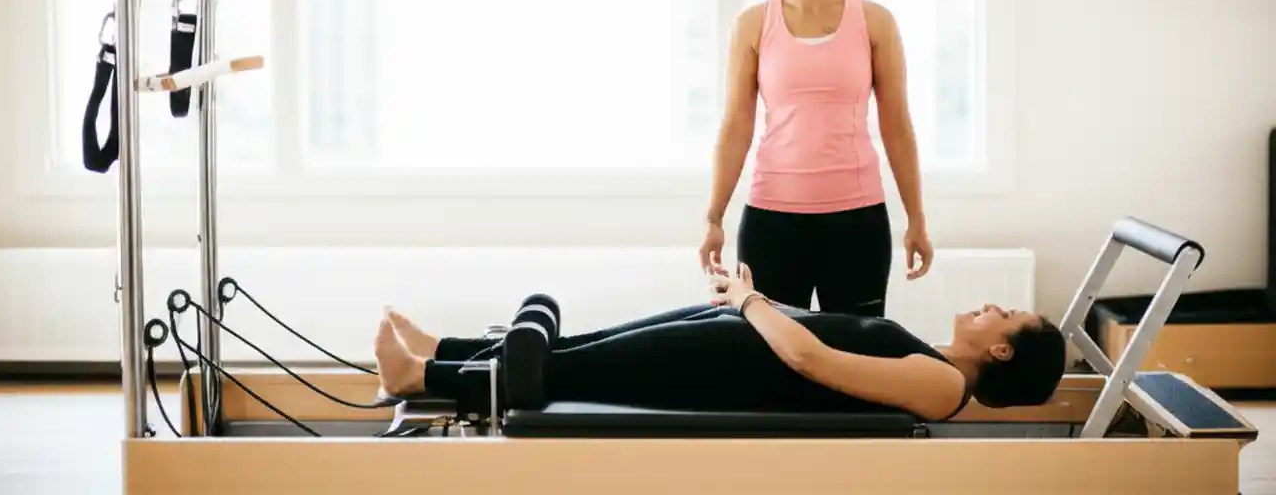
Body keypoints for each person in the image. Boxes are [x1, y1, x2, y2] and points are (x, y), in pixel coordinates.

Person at [373, 265, 1066, 421]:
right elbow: (820, 333)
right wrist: (750, 299)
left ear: (1002, 351)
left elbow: (811, 359)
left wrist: (749, 302)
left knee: (581, 372)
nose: (987, 307)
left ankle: (423, 381)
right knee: (583, 345)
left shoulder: (945, 388)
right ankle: (445, 351)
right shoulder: (935, 359)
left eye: (1003, 314)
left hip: (737, 369)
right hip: (738, 339)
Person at [699, 0, 934, 317]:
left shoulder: (875, 22)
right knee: (768, 367)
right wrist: (714, 217)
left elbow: (898, 128)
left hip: (858, 222)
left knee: (857, 365)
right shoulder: (752, 24)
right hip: (771, 221)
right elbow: (735, 128)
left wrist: (916, 218)